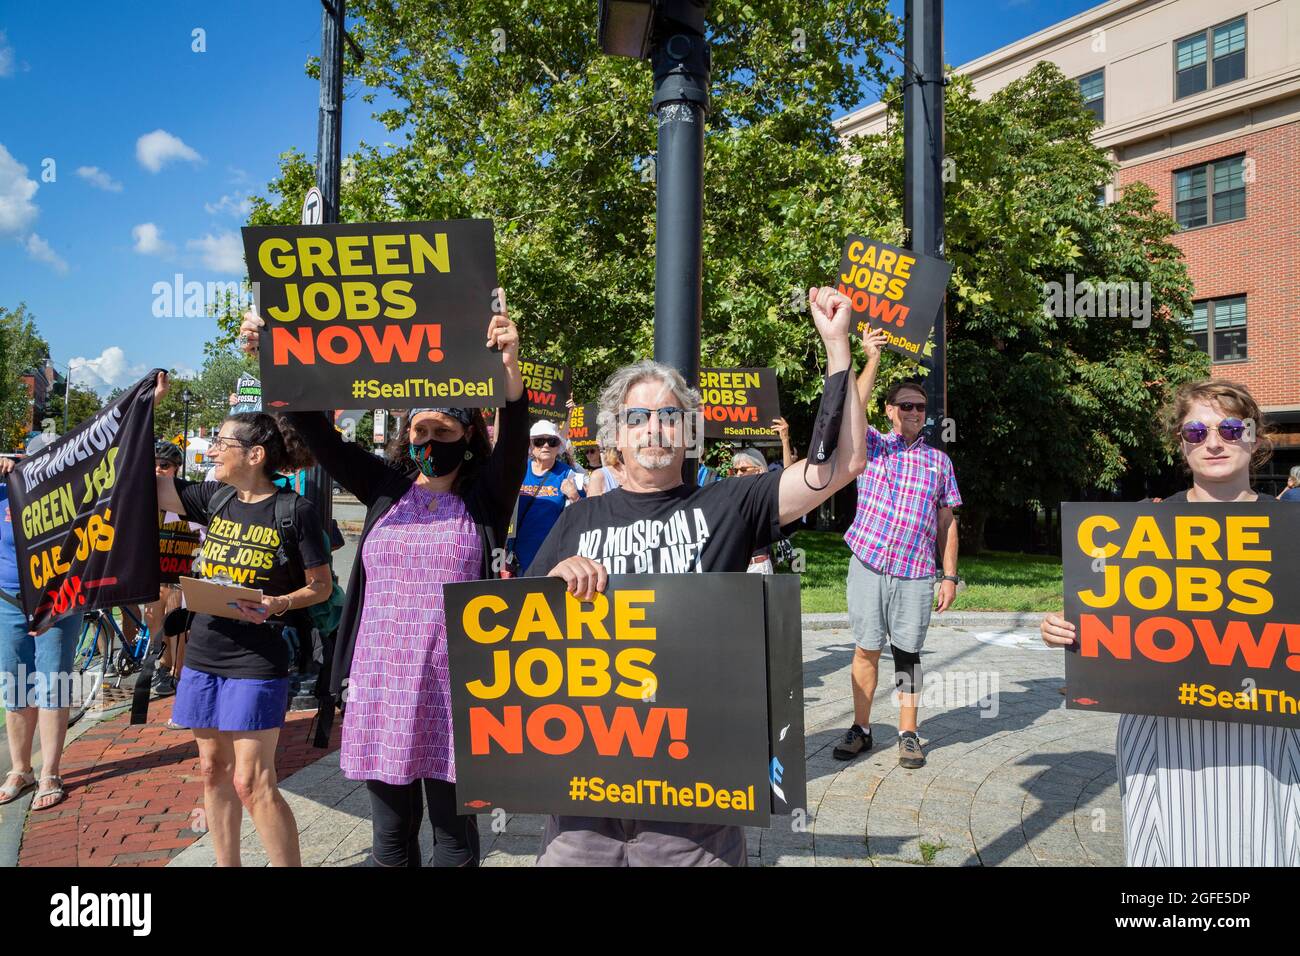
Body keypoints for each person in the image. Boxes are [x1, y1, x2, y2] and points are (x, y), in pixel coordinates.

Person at [525, 285, 867, 866]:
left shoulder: (729, 504)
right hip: (585, 798)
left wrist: (839, 349)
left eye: (669, 416)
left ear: (688, 431)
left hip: (694, 798)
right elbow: (512, 634)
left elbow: (840, 466)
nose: (653, 427)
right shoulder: (575, 519)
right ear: (615, 435)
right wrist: (552, 583)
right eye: (638, 417)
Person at [239, 294, 527, 867]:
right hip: (381, 683)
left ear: (468, 435)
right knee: (390, 842)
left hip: (457, 689)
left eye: (441, 429)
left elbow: (514, 437)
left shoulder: (485, 496)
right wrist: (274, 352)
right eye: (417, 430)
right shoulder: (385, 487)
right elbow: (317, 434)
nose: (426, 442)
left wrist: (510, 367)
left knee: (453, 840)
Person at [1041, 379, 1300, 866]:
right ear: (1181, 445)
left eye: (1229, 427)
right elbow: (1103, 619)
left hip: (1266, 732)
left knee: (1267, 846)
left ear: (1256, 437)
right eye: (1196, 432)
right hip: (1163, 732)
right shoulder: (1140, 527)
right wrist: (1064, 628)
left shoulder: (1292, 530)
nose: (1214, 441)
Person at [155, 396, 333, 868]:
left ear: (255, 455)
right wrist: (147, 410)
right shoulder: (213, 497)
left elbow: (320, 586)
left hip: (258, 659)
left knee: (252, 782)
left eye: (221, 442)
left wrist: (279, 602)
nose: (212, 450)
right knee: (213, 771)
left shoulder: (296, 510)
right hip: (204, 652)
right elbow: (148, 485)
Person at [833, 326, 961, 770]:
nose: (914, 412)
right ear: (890, 411)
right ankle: (862, 729)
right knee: (866, 647)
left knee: (908, 652)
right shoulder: (872, 446)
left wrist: (949, 575)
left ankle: (909, 733)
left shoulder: (939, 461)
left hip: (915, 572)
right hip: (868, 564)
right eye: (905, 405)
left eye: (920, 407)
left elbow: (947, 520)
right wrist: (871, 357)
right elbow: (852, 407)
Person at [0, 435, 86, 811]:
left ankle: (50, 770)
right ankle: (21, 769)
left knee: (54, 683)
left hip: (58, 601)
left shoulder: (78, 496)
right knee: (16, 683)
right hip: (8, 599)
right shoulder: (6, 492)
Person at [148, 440, 196, 697]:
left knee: (174, 620)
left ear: (176, 468)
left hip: (181, 569)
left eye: (164, 465)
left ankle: (175, 672)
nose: (157, 469)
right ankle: (163, 665)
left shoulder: (185, 494)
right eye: (153, 465)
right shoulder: (143, 495)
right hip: (153, 569)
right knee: (154, 620)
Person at [510, 419, 583, 574]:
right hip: (516, 560)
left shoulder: (569, 475)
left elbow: (585, 516)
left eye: (552, 441)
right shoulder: (517, 471)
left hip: (552, 560)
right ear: (530, 445)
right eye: (539, 441)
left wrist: (575, 496)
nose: (545, 446)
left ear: (559, 446)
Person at [730, 448, 777, 574]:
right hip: (737, 565)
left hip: (758, 565)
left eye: (743, 469)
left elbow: (788, 481)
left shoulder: (766, 493)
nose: (739, 473)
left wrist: (784, 442)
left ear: (759, 469)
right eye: (735, 470)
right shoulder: (733, 494)